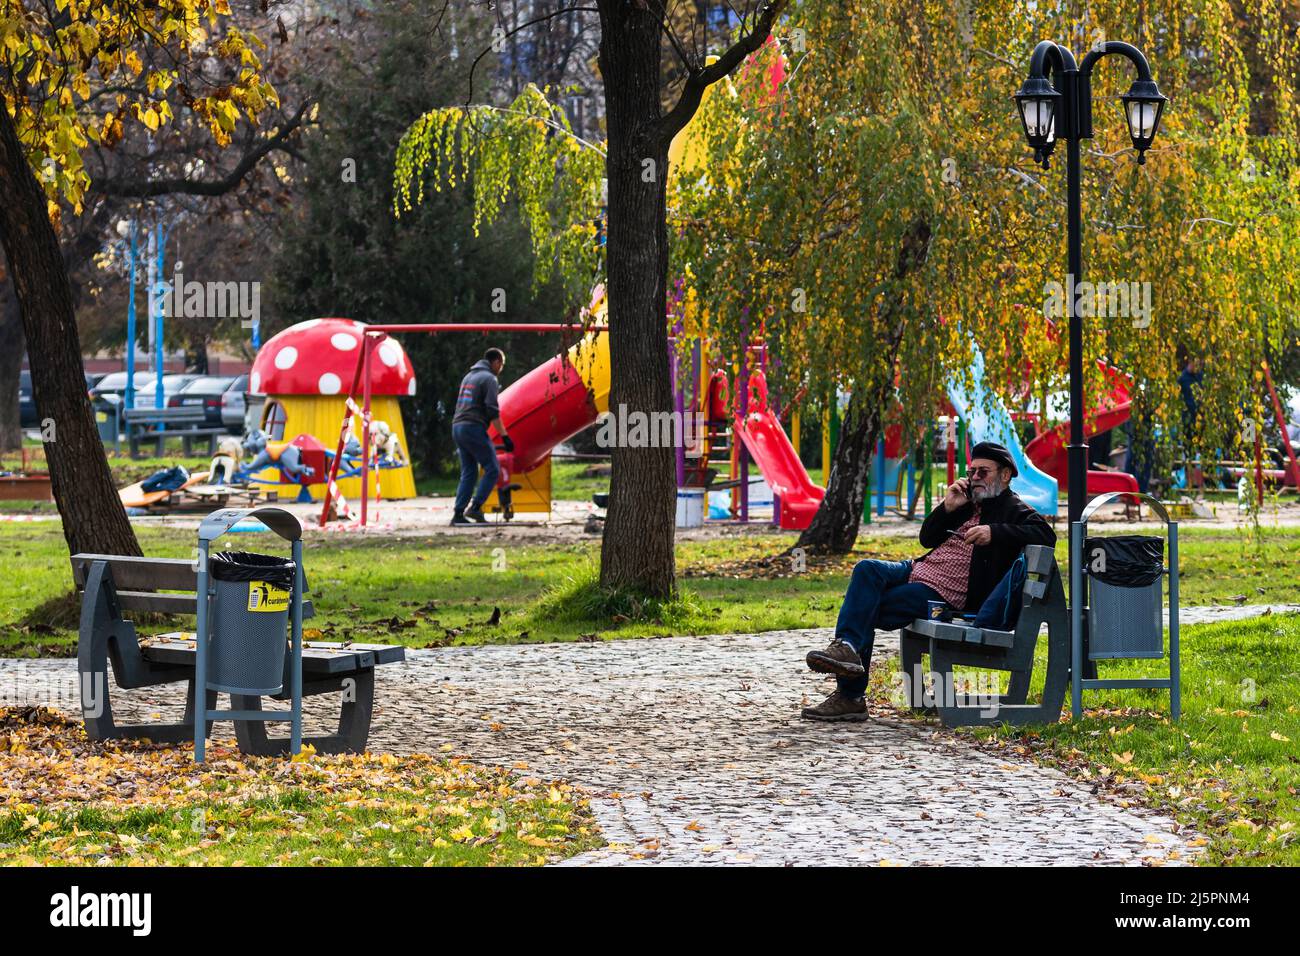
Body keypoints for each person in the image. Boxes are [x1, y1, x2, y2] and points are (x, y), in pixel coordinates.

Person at [801, 441, 1056, 721]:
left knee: (865, 608)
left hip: (943, 595)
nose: (975, 478)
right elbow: (927, 539)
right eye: (972, 472)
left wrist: (995, 532)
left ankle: (850, 695)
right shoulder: (968, 502)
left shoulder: (1014, 509)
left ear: (1005, 475)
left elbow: (1046, 535)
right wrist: (947, 507)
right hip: (916, 570)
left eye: (984, 472)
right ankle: (847, 649)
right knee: (866, 569)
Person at [451, 348, 514, 525]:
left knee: (469, 472)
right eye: (501, 365)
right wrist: (505, 437)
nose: (501, 368)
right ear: (496, 362)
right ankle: (476, 508)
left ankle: (458, 514)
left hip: (457, 427)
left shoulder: (469, 376)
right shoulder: (489, 379)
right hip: (473, 427)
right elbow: (492, 411)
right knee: (492, 468)